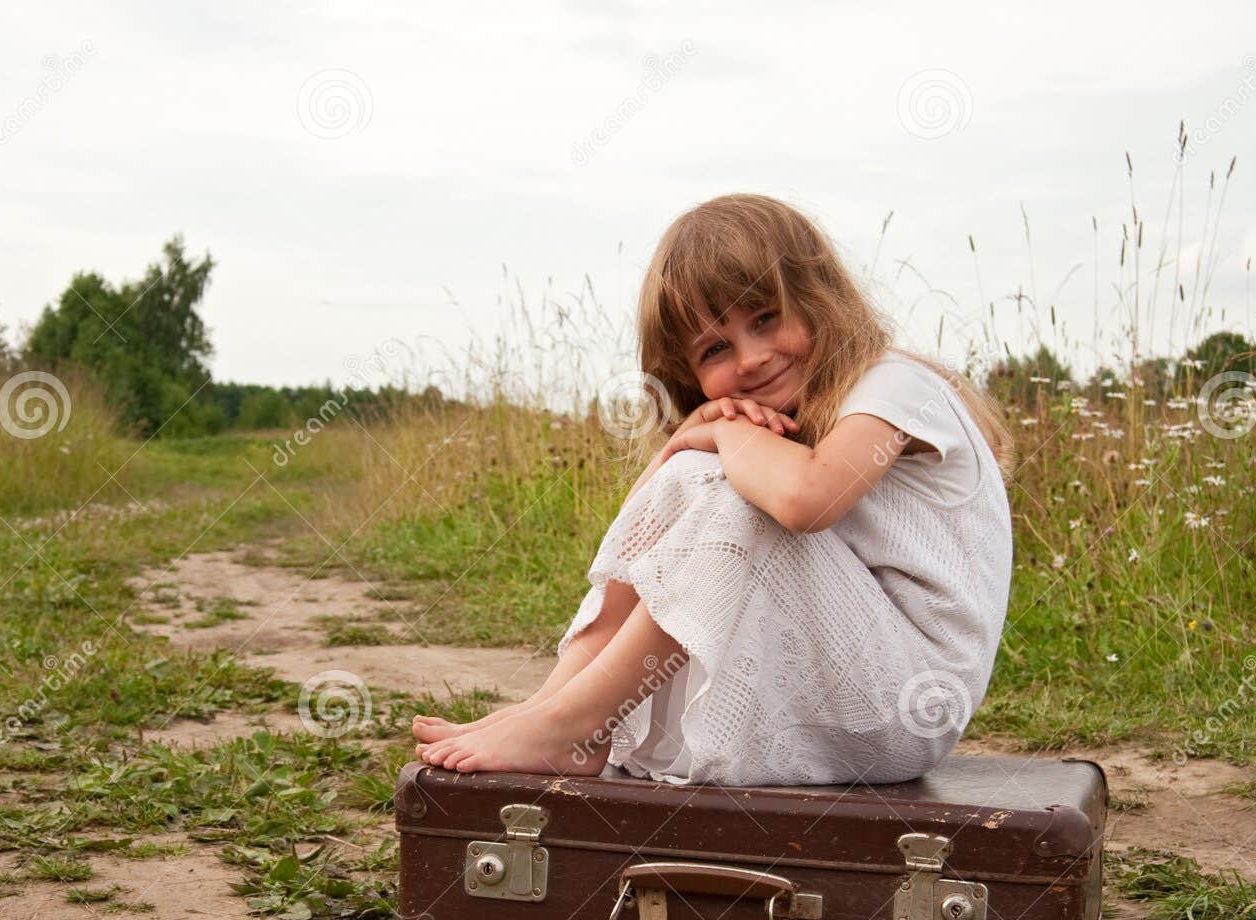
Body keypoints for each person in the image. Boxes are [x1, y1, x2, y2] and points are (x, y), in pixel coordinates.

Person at [413, 193, 1014, 787]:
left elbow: (810, 501)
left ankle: (577, 724)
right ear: (689, 375)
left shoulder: (894, 385)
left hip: (906, 705)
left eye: (765, 318)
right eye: (716, 348)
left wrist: (725, 432)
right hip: (841, 684)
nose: (751, 358)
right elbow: (641, 540)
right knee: (697, 479)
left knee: (738, 498)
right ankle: (554, 705)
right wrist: (683, 445)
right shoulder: (771, 428)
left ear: (817, 299)